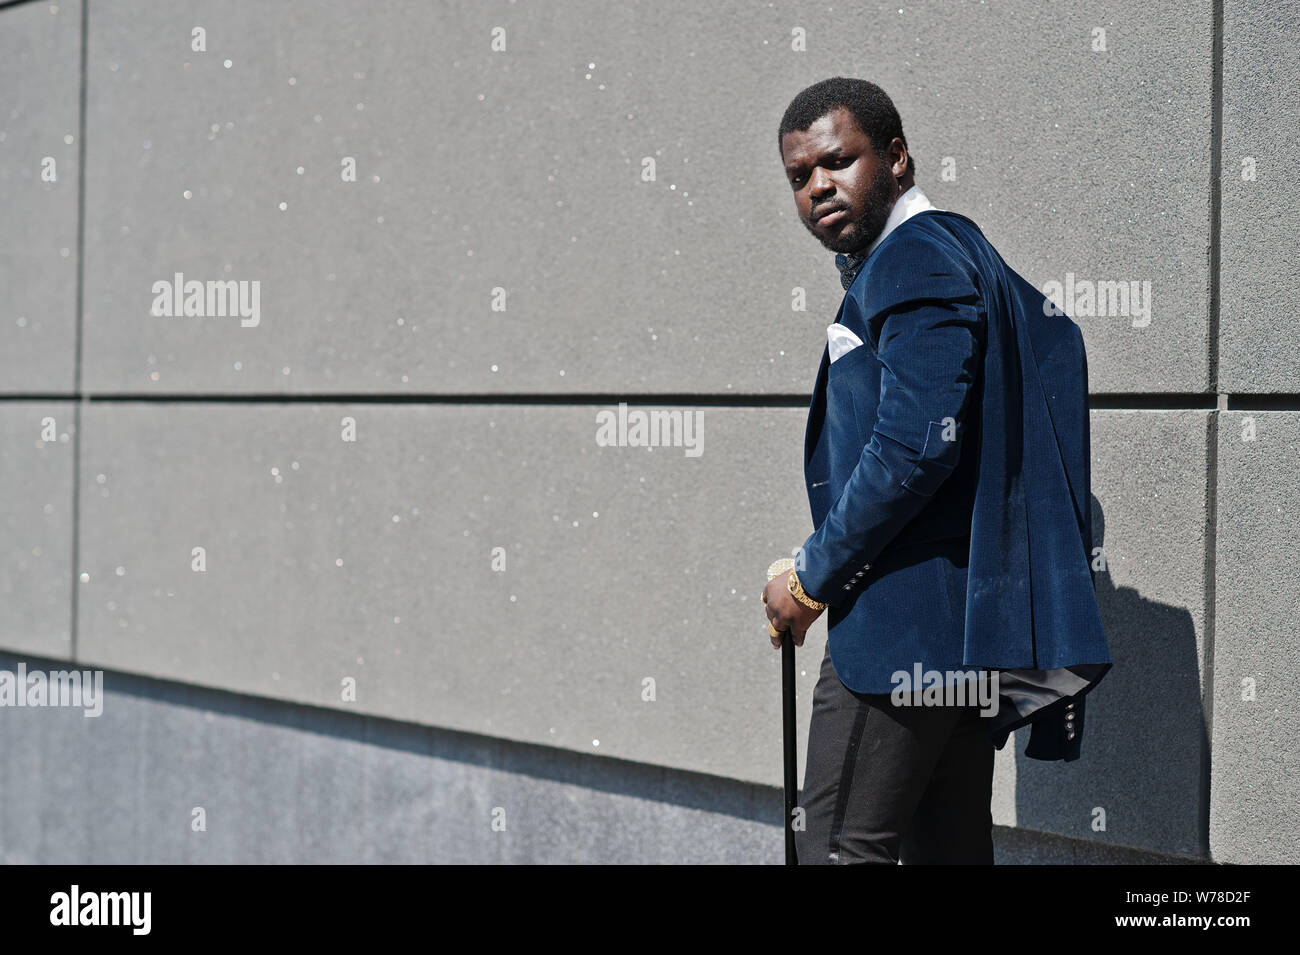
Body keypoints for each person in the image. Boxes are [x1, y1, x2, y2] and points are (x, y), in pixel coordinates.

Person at [762, 77, 1110, 865]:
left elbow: (916, 444)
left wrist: (811, 577)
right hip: (959, 644)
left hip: (897, 631)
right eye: (798, 176)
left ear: (897, 157)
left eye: (837, 161)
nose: (818, 186)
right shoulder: (960, 253)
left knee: (839, 850)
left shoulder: (915, 260)